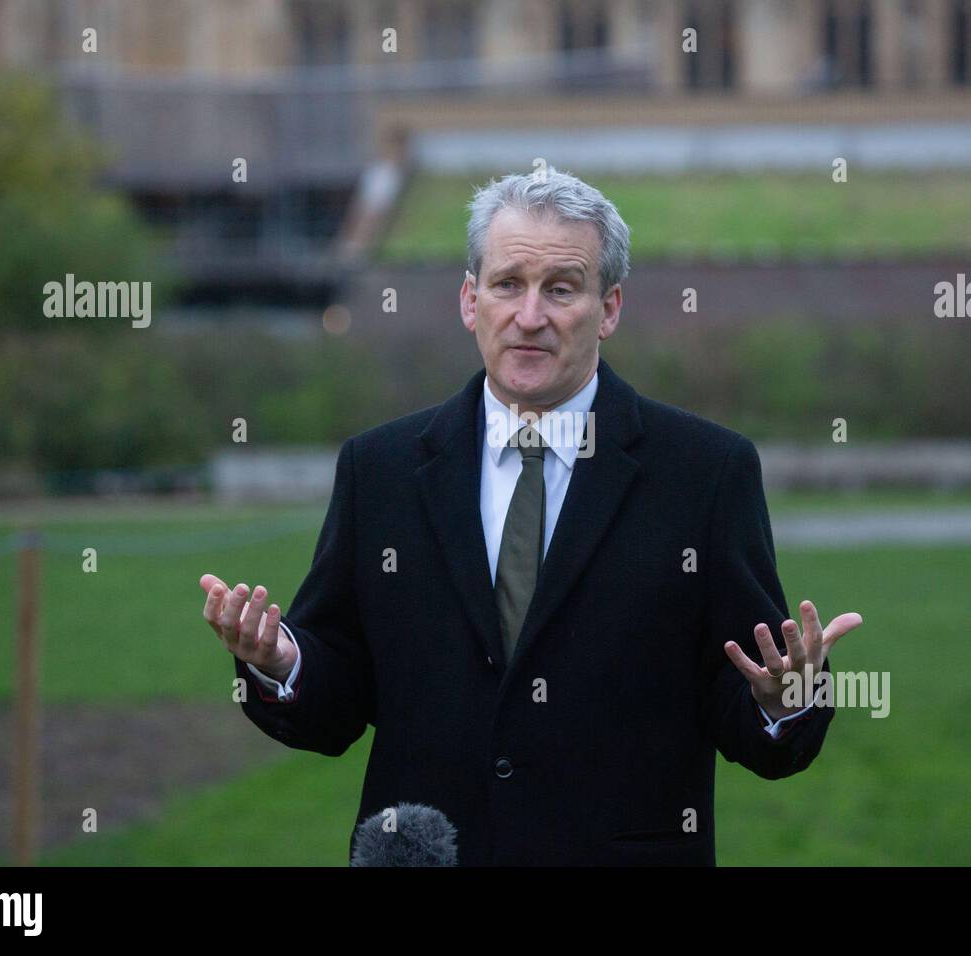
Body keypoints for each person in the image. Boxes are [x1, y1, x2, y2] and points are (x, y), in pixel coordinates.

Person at [199, 169, 862, 865]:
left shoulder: (705, 472)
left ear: (608, 309)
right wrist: (282, 661)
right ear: (469, 299)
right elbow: (336, 706)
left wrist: (786, 700)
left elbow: (746, 706)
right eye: (508, 283)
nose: (530, 314)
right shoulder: (380, 469)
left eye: (561, 288)